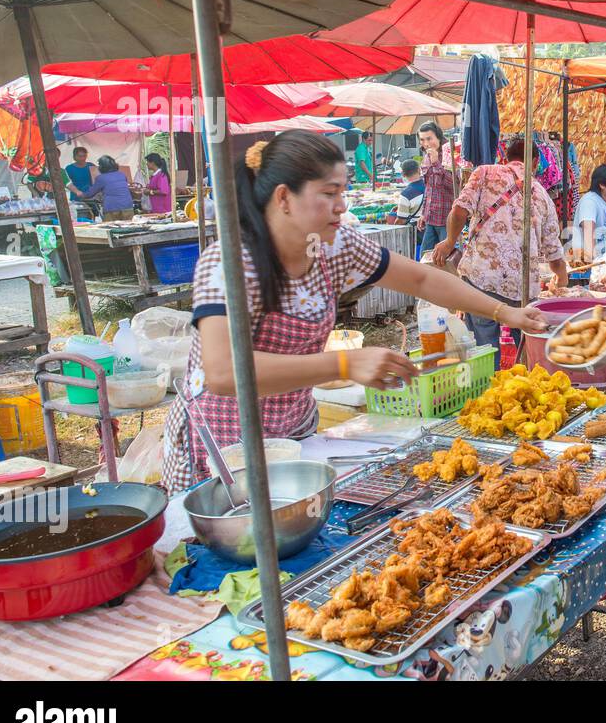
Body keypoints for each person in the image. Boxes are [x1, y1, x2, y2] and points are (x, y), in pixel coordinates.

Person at [160, 131, 548, 494]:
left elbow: (421, 279)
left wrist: (504, 312)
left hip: (294, 435)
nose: (342, 206)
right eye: (329, 193)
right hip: (224, 447)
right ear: (283, 198)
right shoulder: (230, 262)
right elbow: (223, 373)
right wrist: (343, 364)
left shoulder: (333, 245)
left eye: (342, 192)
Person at [431, 138, 568, 365]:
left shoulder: (484, 172)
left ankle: (488, 384)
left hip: (482, 279)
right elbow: (554, 251)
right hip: (523, 287)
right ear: (535, 162)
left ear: (506, 158)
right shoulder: (543, 195)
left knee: (485, 351)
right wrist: (561, 277)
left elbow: (459, 211)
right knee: (529, 350)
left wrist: (449, 241)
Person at [417, 122, 454, 251]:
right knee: (425, 256)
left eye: (429, 139)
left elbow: (454, 185)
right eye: (422, 140)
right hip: (431, 217)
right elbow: (428, 188)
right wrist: (423, 213)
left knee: (447, 257)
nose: (426, 143)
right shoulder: (426, 156)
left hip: (446, 219)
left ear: (438, 137)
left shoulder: (450, 154)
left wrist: (436, 163)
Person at [74, 156, 135, 221]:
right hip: (127, 206)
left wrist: (81, 195)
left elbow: (90, 193)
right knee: (129, 226)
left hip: (111, 208)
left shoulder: (101, 178)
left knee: (110, 226)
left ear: (102, 167)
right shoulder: (122, 175)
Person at [394, 158, 425, 225]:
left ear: (403, 174)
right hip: (431, 226)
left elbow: (401, 220)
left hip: (418, 228)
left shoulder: (405, 194)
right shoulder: (430, 186)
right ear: (419, 170)